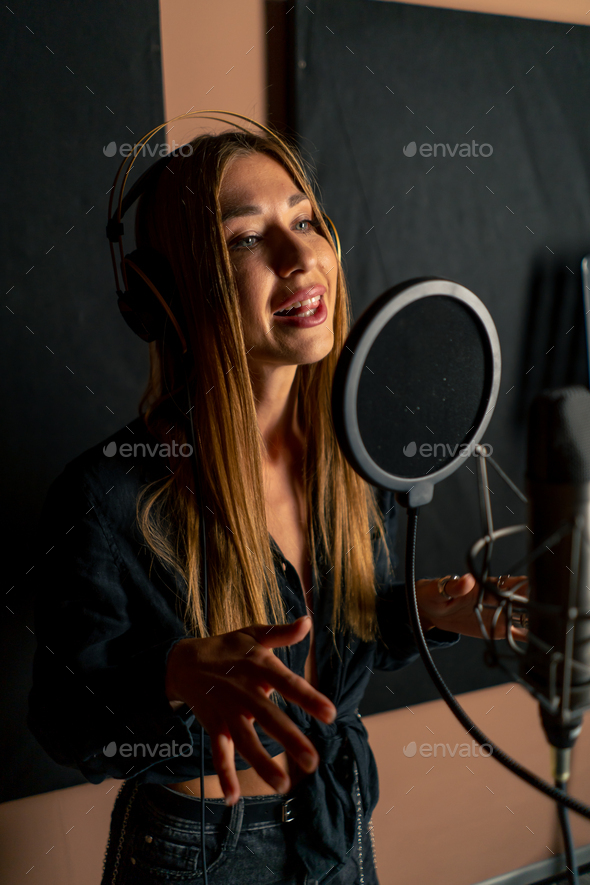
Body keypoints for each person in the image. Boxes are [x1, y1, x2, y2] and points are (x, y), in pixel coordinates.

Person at [27, 127, 528, 885]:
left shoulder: (355, 460)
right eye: (245, 239)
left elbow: (323, 644)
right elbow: (64, 721)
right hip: (200, 851)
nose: (300, 260)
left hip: (338, 819)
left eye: (303, 221)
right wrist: (171, 673)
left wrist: (424, 610)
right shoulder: (108, 493)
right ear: (166, 294)